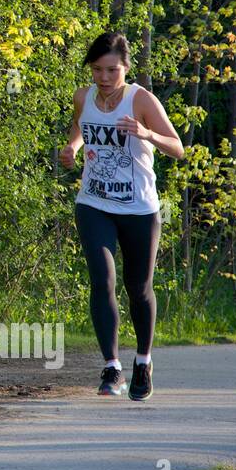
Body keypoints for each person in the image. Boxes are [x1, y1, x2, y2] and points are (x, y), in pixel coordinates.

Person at [59, 32, 184, 400]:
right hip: (93, 203)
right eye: (97, 69)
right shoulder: (84, 96)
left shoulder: (141, 99)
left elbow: (177, 148)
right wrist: (71, 147)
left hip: (139, 208)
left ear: (126, 67)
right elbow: (80, 126)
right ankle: (112, 368)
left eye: (112, 69)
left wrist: (146, 133)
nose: (104, 76)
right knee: (102, 279)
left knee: (139, 288)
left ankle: (143, 360)